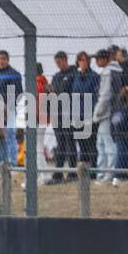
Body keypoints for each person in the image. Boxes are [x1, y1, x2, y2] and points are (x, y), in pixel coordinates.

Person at [91, 48, 121, 182]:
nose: (96, 62)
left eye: (97, 59)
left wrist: (96, 113)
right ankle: (103, 173)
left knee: (105, 144)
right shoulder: (118, 70)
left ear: (103, 59)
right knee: (105, 143)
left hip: (106, 113)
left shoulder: (107, 72)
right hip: (115, 111)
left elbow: (104, 95)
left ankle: (107, 174)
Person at [70, 51, 100, 172]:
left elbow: (95, 95)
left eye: (85, 60)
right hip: (77, 114)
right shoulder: (76, 77)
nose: (83, 62)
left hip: (89, 114)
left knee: (91, 143)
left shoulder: (94, 76)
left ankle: (93, 170)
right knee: (81, 144)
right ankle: (84, 170)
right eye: (80, 60)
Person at [50, 51, 77, 183]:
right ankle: (58, 172)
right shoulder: (56, 76)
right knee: (60, 143)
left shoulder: (73, 74)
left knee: (69, 143)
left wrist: (57, 91)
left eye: (60, 62)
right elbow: (53, 92)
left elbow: (71, 92)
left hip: (69, 113)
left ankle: (72, 172)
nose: (58, 65)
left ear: (65, 60)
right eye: (56, 63)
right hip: (57, 113)